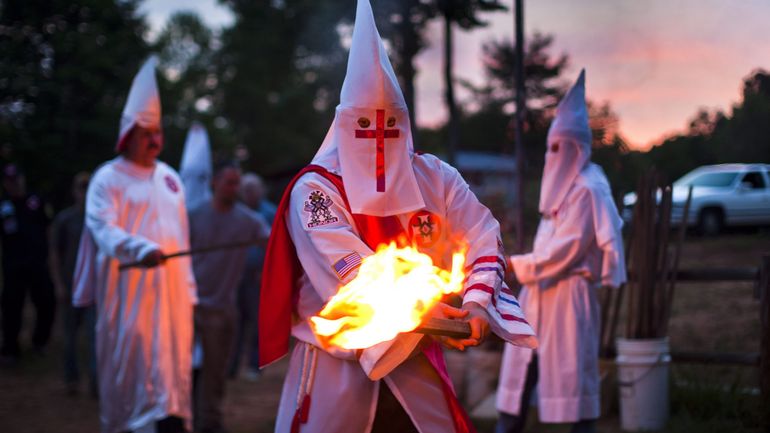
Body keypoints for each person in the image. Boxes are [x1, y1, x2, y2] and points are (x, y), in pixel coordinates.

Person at [259, 2, 537, 432]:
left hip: (416, 359)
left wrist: (479, 303)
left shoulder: (437, 177)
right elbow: (353, 280)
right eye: (365, 125)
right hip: (338, 365)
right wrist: (438, 314)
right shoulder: (315, 190)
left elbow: (483, 235)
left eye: (391, 123)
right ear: (344, 124)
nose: (379, 136)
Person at [495, 70, 627, 433]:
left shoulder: (587, 190)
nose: (553, 155)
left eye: (560, 148)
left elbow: (563, 254)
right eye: (550, 147)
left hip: (568, 299)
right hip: (538, 297)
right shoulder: (562, 189)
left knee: (573, 386)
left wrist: (512, 265)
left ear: (577, 148)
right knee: (519, 378)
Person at [72, 56, 197, 433]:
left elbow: (182, 236)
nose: (155, 140)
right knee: (133, 361)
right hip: (130, 292)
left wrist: (189, 290)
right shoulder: (107, 179)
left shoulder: (170, 178)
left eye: (158, 131)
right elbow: (102, 228)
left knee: (173, 365)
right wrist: (140, 249)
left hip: (172, 294)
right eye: (147, 133)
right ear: (128, 135)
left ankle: (170, 417)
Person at [188, 161, 269, 433]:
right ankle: (181, 418)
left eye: (238, 183)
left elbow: (270, 241)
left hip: (223, 307)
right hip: (189, 304)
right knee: (183, 369)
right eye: (230, 182)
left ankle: (209, 421)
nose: (235, 188)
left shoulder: (248, 221)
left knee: (216, 370)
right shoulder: (194, 215)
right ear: (215, 183)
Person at [0, 163, 55, 363]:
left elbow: (49, 230)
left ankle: (39, 342)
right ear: (5, 183)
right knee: (11, 307)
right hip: (13, 266)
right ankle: (10, 349)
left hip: (38, 263)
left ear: (22, 179)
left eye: (16, 179)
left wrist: (52, 259)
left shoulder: (36, 201)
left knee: (47, 302)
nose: (14, 184)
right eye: (9, 181)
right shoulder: (3, 206)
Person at [49, 171, 97, 396]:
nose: (85, 193)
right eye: (81, 188)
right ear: (74, 191)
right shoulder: (65, 219)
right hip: (70, 287)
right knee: (70, 336)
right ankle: (71, 379)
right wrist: (58, 284)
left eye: (88, 187)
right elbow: (55, 254)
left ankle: (96, 382)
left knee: (94, 336)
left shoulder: (99, 220)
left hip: (94, 290)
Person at [228, 173, 276, 379]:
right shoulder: (235, 213)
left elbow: (275, 246)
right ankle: (232, 367)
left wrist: (266, 271)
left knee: (257, 322)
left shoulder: (270, 213)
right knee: (235, 322)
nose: (249, 194)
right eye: (245, 190)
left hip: (258, 276)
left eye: (253, 189)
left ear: (261, 191)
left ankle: (254, 365)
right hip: (235, 276)